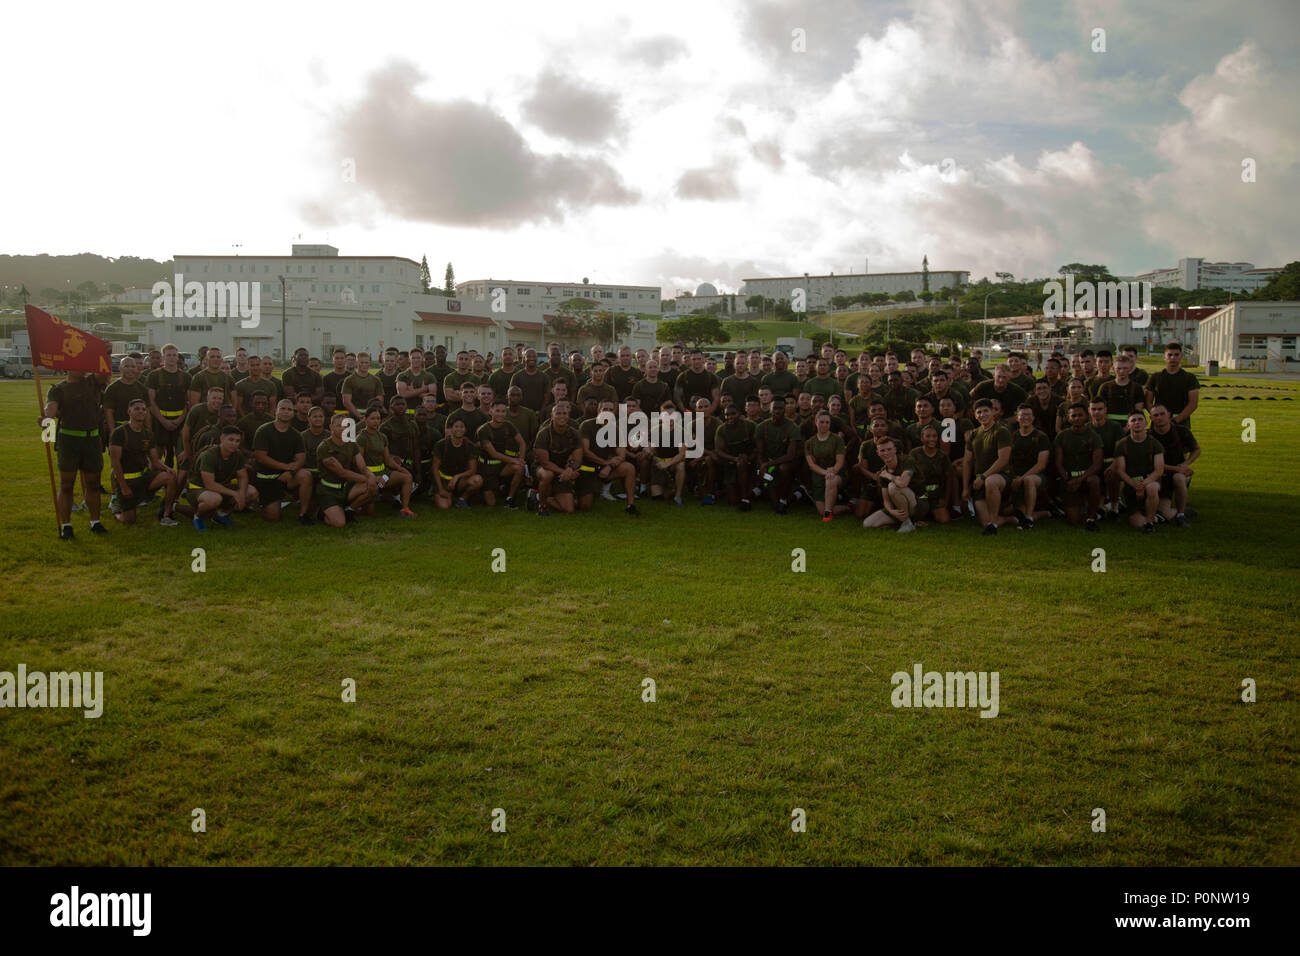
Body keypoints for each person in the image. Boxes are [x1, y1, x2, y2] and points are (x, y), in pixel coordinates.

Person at [108, 398, 179, 525]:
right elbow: (115, 463)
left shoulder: (148, 434)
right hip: (127, 480)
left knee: (170, 477)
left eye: (143, 409)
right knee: (129, 521)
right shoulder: (119, 433)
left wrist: (167, 469)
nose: (141, 411)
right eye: (137, 409)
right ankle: (117, 511)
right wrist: (123, 487)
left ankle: (166, 515)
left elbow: (155, 461)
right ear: (129, 411)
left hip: (144, 477)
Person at [251, 399, 313, 524]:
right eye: (282, 408)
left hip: (286, 477)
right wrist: (285, 467)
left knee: (306, 475)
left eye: (289, 409)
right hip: (267, 478)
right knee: (272, 518)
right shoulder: (264, 430)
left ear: (293, 413)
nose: (286, 412)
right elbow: (260, 457)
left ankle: (303, 514)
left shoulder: (296, 435)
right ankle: (261, 502)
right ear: (276, 411)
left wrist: (291, 472)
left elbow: (301, 459)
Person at [315, 412, 378, 526]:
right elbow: (342, 473)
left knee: (373, 487)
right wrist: (366, 479)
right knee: (339, 523)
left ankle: (349, 510)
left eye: (345, 426)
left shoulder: (351, 443)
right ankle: (323, 512)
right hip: (329, 489)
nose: (342, 429)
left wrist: (371, 477)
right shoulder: (324, 447)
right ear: (331, 427)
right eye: (338, 426)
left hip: (346, 487)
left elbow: (363, 467)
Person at [189, 426, 257, 530]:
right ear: (222, 439)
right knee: (215, 499)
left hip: (221, 487)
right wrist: (235, 493)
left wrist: (242, 494)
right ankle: (198, 517)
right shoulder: (209, 455)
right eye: (231, 440)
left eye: (237, 441)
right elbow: (209, 484)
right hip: (199, 489)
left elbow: (242, 476)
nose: (234, 444)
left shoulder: (237, 454)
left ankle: (221, 515)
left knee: (252, 492)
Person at [579, 399, 639, 514]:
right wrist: (604, 463)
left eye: (610, 410)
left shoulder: (615, 429)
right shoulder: (587, 425)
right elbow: (585, 451)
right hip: (586, 470)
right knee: (585, 506)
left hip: (604, 469)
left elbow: (621, 455)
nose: (608, 412)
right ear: (598, 411)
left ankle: (631, 505)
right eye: (605, 409)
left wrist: (609, 466)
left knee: (628, 467)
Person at [965, 398, 1015, 535]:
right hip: (979, 482)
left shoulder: (1001, 431)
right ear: (975, 415)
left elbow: (1003, 460)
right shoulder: (974, 434)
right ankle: (1008, 519)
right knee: (983, 521)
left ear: (993, 412)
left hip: (1001, 477)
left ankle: (993, 524)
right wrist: (965, 488)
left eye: (986, 411)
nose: (982, 415)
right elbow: (967, 461)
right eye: (979, 412)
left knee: (991, 481)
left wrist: (983, 476)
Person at [357, 406, 416, 517]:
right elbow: (360, 464)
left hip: (384, 472)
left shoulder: (382, 437)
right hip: (369, 475)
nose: (376, 421)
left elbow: (388, 460)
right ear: (365, 420)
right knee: (370, 513)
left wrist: (401, 469)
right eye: (372, 418)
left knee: (407, 477)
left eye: (378, 418)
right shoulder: (361, 438)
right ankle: (355, 507)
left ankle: (405, 509)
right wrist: (372, 477)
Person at [1054, 402, 1103, 530]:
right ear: (1069, 418)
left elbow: (1097, 463)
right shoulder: (1062, 436)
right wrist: (1067, 480)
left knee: (1095, 481)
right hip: (1068, 480)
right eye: (1073, 416)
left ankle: (1091, 518)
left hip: (1086, 479)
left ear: (1087, 416)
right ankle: (1078, 506)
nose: (1077, 418)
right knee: (1073, 520)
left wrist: (1079, 480)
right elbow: (1058, 463)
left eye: (1080, 415)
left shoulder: (1094, 436)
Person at [1149, 404, 1199, 527]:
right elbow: (1154, 464)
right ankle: (1180, 509)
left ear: (1169, 415)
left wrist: (1186, 464)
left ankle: (1181, 515)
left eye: (1162, 414)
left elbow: (1196, 449)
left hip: (1178, 473)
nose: (1159, 417)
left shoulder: (1182, 431)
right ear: (1151, 418)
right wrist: (1179, 468)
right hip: (1160, 476)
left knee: (1179, 478)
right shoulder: (1148, 436)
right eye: (1156, 415)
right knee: (1164, 513)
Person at [1114, 412, 1164, 533]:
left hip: (1150, 481)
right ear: (1128, 425)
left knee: (1152, 488)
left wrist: (1143, 485)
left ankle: (1150, 523)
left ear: (1146, 423)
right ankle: (1155, 516)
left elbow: (1159, 470)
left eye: (1140, 419)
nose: (1137, 422)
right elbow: (1121, 470)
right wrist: (1135, 485)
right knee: (1136, 523)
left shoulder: (1154, 443)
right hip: (1131, 484)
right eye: (1133, 420)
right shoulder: (1121, 444)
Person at [532, 401, 584, 515]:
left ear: (568, 415)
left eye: (564, 413)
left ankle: (537, 496)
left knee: (570, 509)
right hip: (544, 468)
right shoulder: (543, 434)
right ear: (552, 416)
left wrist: (570, 469)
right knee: (548, 475)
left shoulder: (575, 433)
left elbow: (577, 459)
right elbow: (545, 463)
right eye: (558, 413)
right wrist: (565, 472)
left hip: (564, 469)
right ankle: (542, 506)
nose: (561, 416)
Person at [147, 344, 192, 468]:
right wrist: (163, 420)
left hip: (180, 423)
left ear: (178, 357)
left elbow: (189, 402)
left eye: (174, 355)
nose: (172, 358)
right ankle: (155, 482)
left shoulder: (186, 377)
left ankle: (179, 484)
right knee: (157, 455)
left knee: (181, 455)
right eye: (168, 355)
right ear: (163, 357)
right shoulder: (154, 376)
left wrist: (179, 420)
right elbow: (151, 401)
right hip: (160, 422)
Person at [862, 437, 921, 532]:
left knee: (893, 486)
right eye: (882, 450)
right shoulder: (882, 473)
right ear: (878, 453)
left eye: (889, 449)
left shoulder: (907, 461)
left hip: (917, 503)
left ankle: (907, 523)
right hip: (898, 506)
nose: (886, 453)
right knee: (868, 524)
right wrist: (891, 511)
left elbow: (903, 483)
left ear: (895, 450)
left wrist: (889, 476)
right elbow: (886, 500)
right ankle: (904, 522)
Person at [754, 397, 801, 514]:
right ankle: (794, 494)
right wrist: (763, 466)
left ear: (785, 409)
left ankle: (785, 498)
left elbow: (790, 456)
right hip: (768, 462)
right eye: (775, 408)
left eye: (780, 408)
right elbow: (759, 452)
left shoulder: (792, 427)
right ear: (770, 409)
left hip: (786, 462)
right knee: (775, 505)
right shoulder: (761, 427)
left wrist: (767, 464)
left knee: (783, 468)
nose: (777, 411)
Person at [477, 400, 528, 508]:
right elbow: (494, 454)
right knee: (491, 504)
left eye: (503, 411)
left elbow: (522, 443)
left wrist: (521, 460)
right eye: (497, 411)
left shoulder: (508, 425)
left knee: (520, 468)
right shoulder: (483, 430)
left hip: (502, 465)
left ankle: (509, 499)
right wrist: (515, 460)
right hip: (487, 467)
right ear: (491, 412)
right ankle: (485, 489)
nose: (500, 414)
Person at [1007, 405, 1051, 529]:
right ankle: (1046, 513)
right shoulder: (1013, 436)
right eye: (1022, 415)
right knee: (1010, 512)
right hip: (1016, 476)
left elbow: (1041, 464)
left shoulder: (1041, 437)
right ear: (1017, 418)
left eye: (1028, 415)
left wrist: (1021, 478)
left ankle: (1029, 519)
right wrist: (1014, 476)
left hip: (1036, 477)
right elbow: (1008, 460)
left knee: (1029, 480)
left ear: (1033, 418)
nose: (1025, 417)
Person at [804, 410, 847, 522]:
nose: (824, 425)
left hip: (835, 473)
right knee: (820, 511)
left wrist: (832, 472)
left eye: (827, 422)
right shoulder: (809, 442)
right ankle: (848, 508)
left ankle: (828, 514)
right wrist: (825, 472)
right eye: (821, 422)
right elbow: (812, 465)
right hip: (819, 475)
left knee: (830, 480)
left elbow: (840, 461)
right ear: (816, 422)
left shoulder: (837, 439)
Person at [432, 418, 482, 510]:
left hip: (460, 481)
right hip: (444, 479)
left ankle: (462, 499)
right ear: (451, 429)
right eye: (456, 426)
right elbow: (435, 468)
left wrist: (457, 477)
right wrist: (441, 489)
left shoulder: (470, 446)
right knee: (444, 506)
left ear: (465, 429)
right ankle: (442, 493)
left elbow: (473, 470)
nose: (459, 429)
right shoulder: (441, 444)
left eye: (462, 427)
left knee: (477, 480)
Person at [1145, 342, 1199, 426]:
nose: (1173, 358)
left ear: (1181, 356)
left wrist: (1176, 420)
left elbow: (1193, 403)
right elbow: (1148, 401)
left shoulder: (1189, 378)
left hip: (1181, 423)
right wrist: (1158, 416)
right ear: (1164, 357)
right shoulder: (1155, 377)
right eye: (1169, 355)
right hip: (1158, 423)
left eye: (1176, 355)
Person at [646, 400, 687, 505]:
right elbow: (648, 447)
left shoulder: (681, 431)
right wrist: (649, 451)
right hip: (658, 464)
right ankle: (670, 489)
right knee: (658, 498)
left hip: (672, 463)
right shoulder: (655, 430)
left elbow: (682, 454)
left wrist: (667, 464)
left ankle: (677, 497)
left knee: (681, 465)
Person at [102, 356, 151, 433]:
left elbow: (147, 412)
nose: (130, 369)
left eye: (133, 366)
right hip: (120, 429)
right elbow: (108, 413)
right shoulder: (112, 388)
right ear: (120, 368)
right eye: (126, 366)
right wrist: (113, 432)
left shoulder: (142, 388)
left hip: (139, 430)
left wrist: (148, 430)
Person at [397, 347, 440, 416]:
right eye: (413, 358)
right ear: (409, 359)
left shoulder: (429, 376)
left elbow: (432, 396)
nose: (416, 360)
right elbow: (403, 395)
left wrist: (412, 391)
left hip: (424, 413)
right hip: (408, 412)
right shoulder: (402, 376)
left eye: (418, 358)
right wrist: (423, 390)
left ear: (422, 359)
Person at [342, 351, 385, 418]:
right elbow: (346, 402)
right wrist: (359, 415)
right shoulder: (349, 380)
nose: (364, 365)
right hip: (354, 417)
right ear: (356, 363)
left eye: (366, 362)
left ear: (369, 363)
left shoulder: (376, 380)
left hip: (372, 417)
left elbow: (379, 400)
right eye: (361, 362)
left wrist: (371, 415)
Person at [510, 348, 551, 412]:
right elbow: (511, 396)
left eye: (534, 356)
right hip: (522, 413)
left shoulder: (544, 377)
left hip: (540, 412)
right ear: (524, 358)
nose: (531, 358)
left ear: (537, 358)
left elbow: (547, 396)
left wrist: (542, 410)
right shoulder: (517, 376)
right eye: (528, 356)